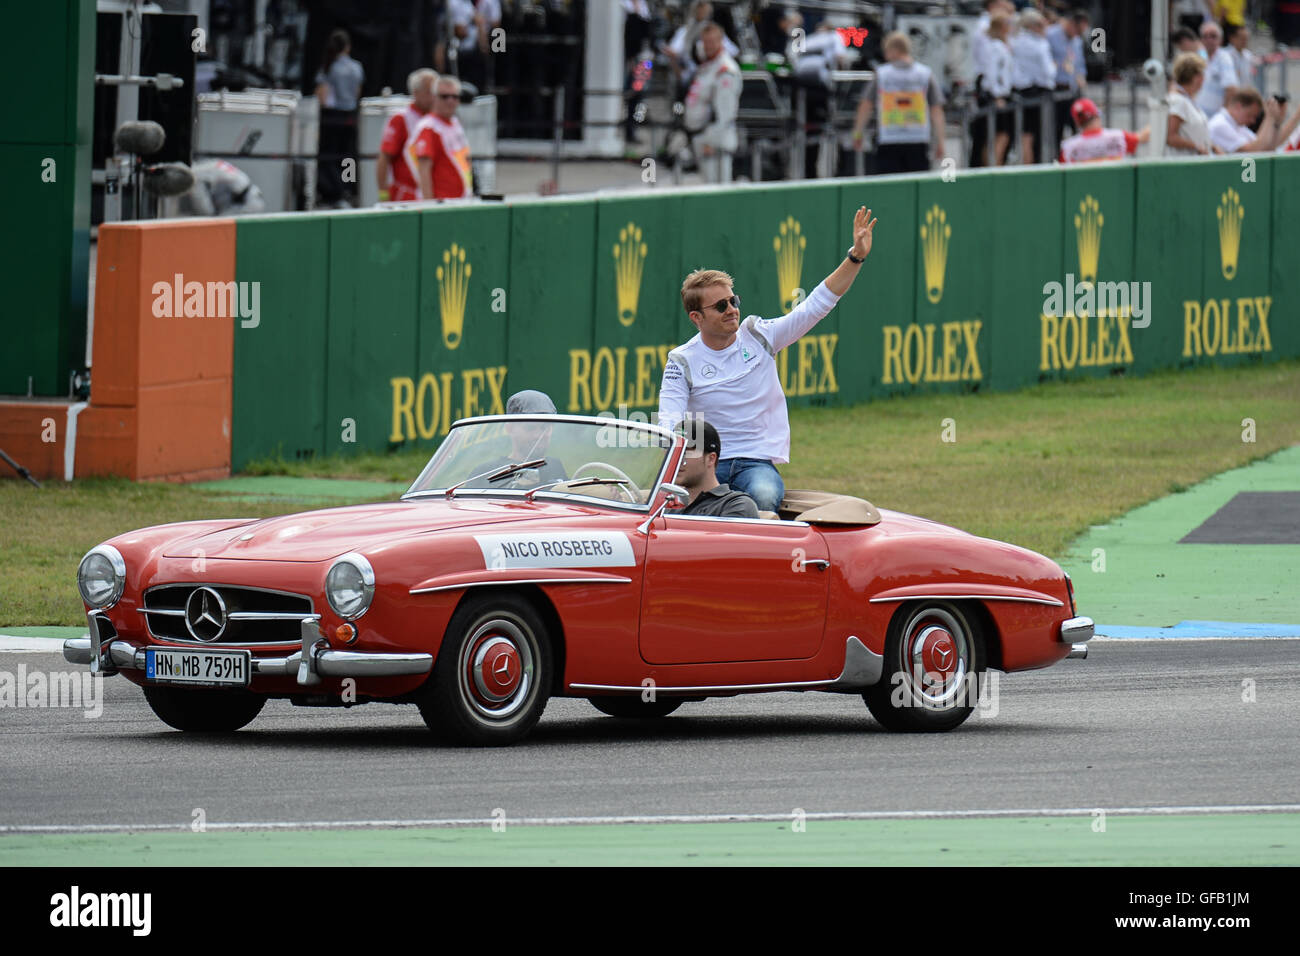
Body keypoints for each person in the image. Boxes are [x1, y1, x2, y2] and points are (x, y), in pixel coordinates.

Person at [656, 206, 878, 513]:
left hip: (755, 461)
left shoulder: (758, 335)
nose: (732, 309)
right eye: (721, 306)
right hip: (706, 465)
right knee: (684, 506)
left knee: (763, 496)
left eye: (734, 300)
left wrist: (856, 257)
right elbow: (669, 419)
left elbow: (815, 306)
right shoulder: (680, 360)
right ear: (696, 317)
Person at [852, 31, 946, 174]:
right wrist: (940, 141)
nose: (885, 55)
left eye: (887, 50)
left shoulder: (882, 74)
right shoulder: (925, 74)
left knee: (890, 190)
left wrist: (858, 133)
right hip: (918, 139)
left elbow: (865, 105)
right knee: (917, 190)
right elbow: (936, 110)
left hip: (889, 138)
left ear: (894, 50)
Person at [680, 22, 741, 183]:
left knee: (717, 193)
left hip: (715, 143)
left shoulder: (725, 70)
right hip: (700, 137)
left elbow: (725, 113)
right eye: (705, 42)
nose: (708, 46)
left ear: (720, 41)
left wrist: (711, 142)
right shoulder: (707, 66)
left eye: (712, 41)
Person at [469, 390, 567, 488]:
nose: (538, 435)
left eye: (544, 428)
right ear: (510, 429)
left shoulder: (555, 466)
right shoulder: (484, 473)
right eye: (530, 428)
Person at [315, 29, 364, 207]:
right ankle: (347, 187)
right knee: (347, 154)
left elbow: (322, 94)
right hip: (350, 115)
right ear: (348, 47)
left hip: (332, 116)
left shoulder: (329, 67)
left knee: (329, 154)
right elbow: (358, 92)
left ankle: (332, 189)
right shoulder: (356, 67)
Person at [672, 419, 760, 519]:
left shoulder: (734, 505)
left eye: (685, 453)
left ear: (711, 459)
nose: (676, 460)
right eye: (673, 452)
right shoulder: (666, 503)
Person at [376, 68, 437, 203]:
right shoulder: (400, 119)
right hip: (406, 197)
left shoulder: (438, 120)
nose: (434, 97)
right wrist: (383, 195)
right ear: (415, 93)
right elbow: (384, 158)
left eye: (435, 92)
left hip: (432, 195)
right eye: (429, 92)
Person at [410, 75, 474, 200]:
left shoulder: (455, 123)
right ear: (434, 98)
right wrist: (429, 208)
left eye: (455, 96)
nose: (450, 101)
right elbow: (424, 171)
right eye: (444, 96)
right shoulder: (429, 128)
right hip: (441, 206)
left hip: (460, 202)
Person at [1010, 9, 1057, 164]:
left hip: (1021, 90)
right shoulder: (1039, 44)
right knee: (1035, 135)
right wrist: (1055, 66)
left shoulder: (1016, 41)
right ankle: (1034, 166)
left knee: (1025, 134)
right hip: (1038, 91)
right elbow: (1048, 72)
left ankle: (1025, 165)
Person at [1046, 8, 1090, 146]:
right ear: (1071, 24)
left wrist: (1081, 76)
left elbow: (1079, 62)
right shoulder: (1051, 35)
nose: (1078, 35)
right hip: (1056, 87)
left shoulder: (1076, 41)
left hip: (1072, 89)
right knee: (1056, 127)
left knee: (1077, 125)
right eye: (1077, 31)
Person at [1058, 98, 1149, 162]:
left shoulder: (1068, 147)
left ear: (1077, 122)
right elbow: (1143, 137)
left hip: (1083, 189)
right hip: (1115, 187)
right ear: (1096, 115)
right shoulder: (1117, 137)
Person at [1208, 88, 1295, 152]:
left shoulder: (1237, 126)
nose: (1252, 121)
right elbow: (1253, 150)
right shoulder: (1220, 125)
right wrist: (1269, 118)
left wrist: (1277, 122)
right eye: (1250, 115)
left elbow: (1268, 147)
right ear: (1239, 106)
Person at [1166, 52, 1218, 155]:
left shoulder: (1188, 100)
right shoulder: (1178, 101)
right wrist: (1196, 146)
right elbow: (1171, 137)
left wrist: (1213, 147)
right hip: (1185, 164)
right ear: (1196, 77)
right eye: (1202, 74)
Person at [1196, 21, 1239, 116]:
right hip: (1201, 117)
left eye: (1213, 36)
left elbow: (1231, 89)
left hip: (1214, 119)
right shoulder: (1200, 57)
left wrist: (1222, 116)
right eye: (1205, 36)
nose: (1209, 39)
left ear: (1221, 40)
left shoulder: (1224, 58)